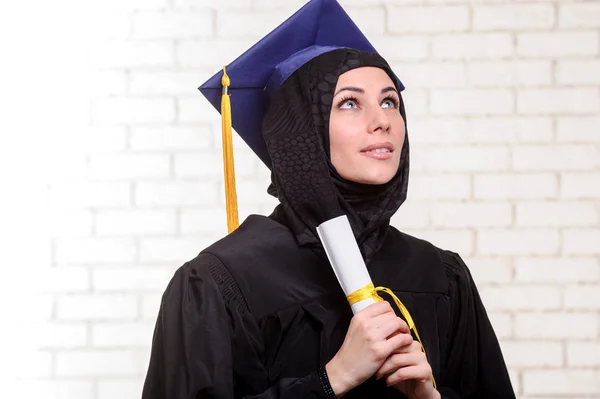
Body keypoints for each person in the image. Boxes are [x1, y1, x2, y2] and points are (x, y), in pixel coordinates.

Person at [141, 0, 515, 398]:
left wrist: (430, 396)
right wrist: (332, 378)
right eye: (350, 103)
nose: (382, 120)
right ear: (301, 131)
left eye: (390, 101)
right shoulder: (221, 281)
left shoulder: (440, 275)